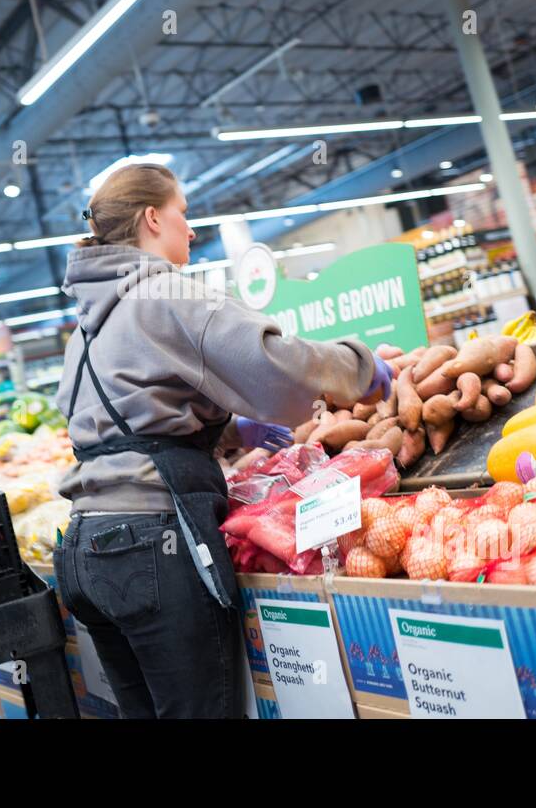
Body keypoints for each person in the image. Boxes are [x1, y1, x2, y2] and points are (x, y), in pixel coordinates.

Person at [53, 163, 391, 718]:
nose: (191, 230)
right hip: (152, 546)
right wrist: (360, 367)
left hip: (85, 552)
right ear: (153, 217)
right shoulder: (164, 292)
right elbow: (272, 360)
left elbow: (131, 424)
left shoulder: (84, 331)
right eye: (184, 213)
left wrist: (234, 430)